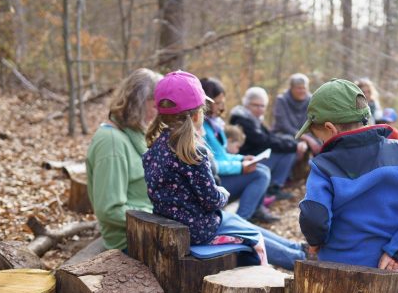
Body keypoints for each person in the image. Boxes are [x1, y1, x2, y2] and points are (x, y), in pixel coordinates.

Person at [143, 71, 305, 270]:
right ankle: (299, 260)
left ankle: (297, 248)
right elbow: (211, 200)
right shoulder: (193, 153)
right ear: (196, 115)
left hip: (179, 223)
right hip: (199, 230)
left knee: (238, 221)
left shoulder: (154, 149)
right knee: (250, 235)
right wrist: (223, 193)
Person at [297, 79, 398, 276]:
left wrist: (315, 241)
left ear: (331, 128)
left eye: (320, 137)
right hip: (390, 270)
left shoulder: (323, 166)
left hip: (337, 270)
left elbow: (314, 216)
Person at [86, 68, 162, 251]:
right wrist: (162, 218)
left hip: (153, 229)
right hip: (131, 240)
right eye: (155, 106)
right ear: (139, 103)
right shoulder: (112, 143)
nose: (159, 113)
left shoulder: (134, 134)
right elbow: (109, 210)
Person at [199, 77, 277, 223]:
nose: (221, 107)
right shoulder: (201, 128)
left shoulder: (214, 124)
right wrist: (240, 167)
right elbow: (212, 165)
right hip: (213, 182)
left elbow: (222, 155)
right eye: (218, 103)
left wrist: (241, 159)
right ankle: (241, 222)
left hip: (221, 176)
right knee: (260, 175)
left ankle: (254, 212)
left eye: (223, 102)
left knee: (262, 169)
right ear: (207, 102)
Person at [230, 87, 308, 200]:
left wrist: (293, 143)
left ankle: (274, 187)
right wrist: (294, 146)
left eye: (262, 106)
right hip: (247, 161)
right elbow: (264, 141)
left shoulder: (254, 119)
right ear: (246, 104)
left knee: (288, 146)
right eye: (255, 105)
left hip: (258, 156)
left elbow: (270, 136)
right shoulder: (241, 120)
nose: (259, 109)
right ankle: (272, 188)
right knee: (289, 151)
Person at [272, 73, 321, 155]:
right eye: (299, 88)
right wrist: (306, 139)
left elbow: (312, 123)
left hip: (307, 135)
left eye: (304, 88)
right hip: (285, 135)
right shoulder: (281, 100)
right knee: (292, 146)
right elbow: (284, 126)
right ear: (291, 88)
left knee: (321, 144)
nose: (302, 91)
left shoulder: (311, 100)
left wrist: (307, 139)